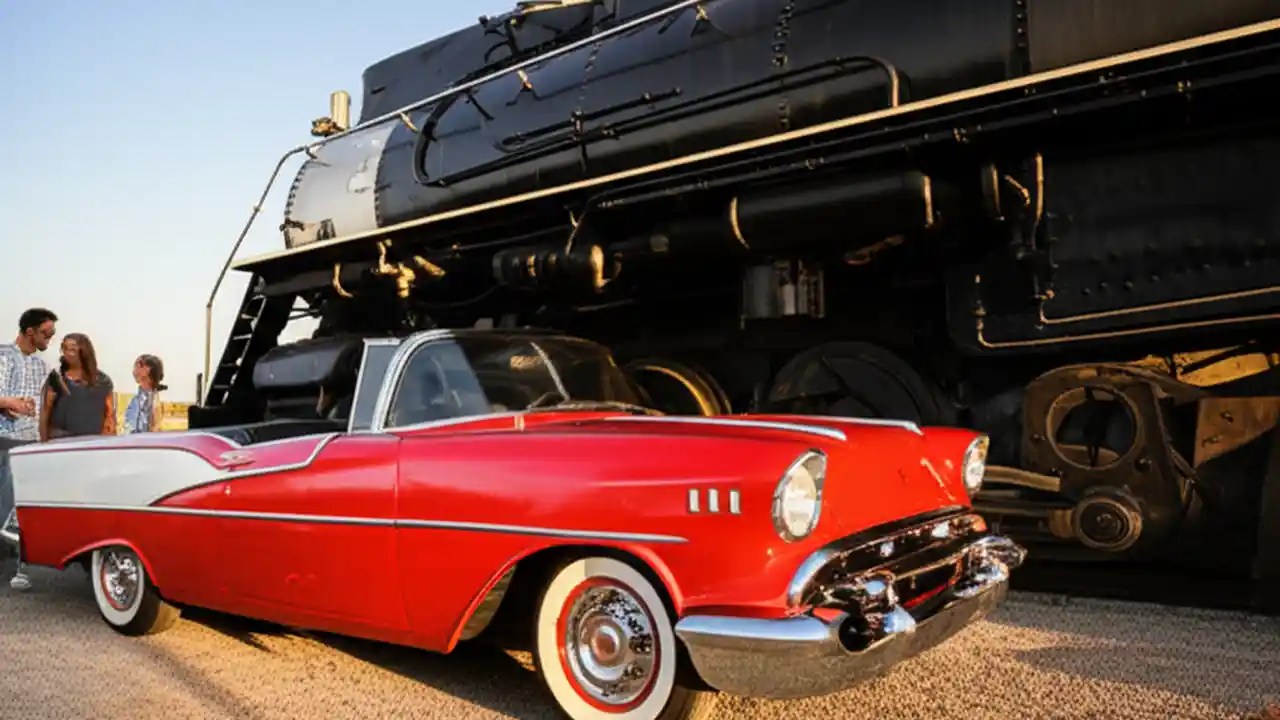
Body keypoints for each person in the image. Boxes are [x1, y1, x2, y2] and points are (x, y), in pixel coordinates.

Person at [0, 307, 57, 591]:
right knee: (4, 505)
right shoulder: (2, 355)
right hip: (3, 441)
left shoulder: (43, 366)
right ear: (30, 331)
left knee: (21, 509)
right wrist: (10, 403)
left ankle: (18, 570)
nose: (50, 339)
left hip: (31, 443)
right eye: (47, 333)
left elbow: (45, 407)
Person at [40, 333, 115, 441]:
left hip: (92, 442)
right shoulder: (56, 378)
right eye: (64, 349)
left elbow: (110, 417)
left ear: (84, 352)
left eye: (72, 350)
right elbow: (45, 413)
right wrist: (44, 443)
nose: (67, 353)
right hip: (60, 441)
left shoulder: (103, 381)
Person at [122, 354, 167, 434]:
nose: (134, 370)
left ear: (148, 370)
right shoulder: (136, 400)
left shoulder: (156, 401)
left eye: (138, 365)